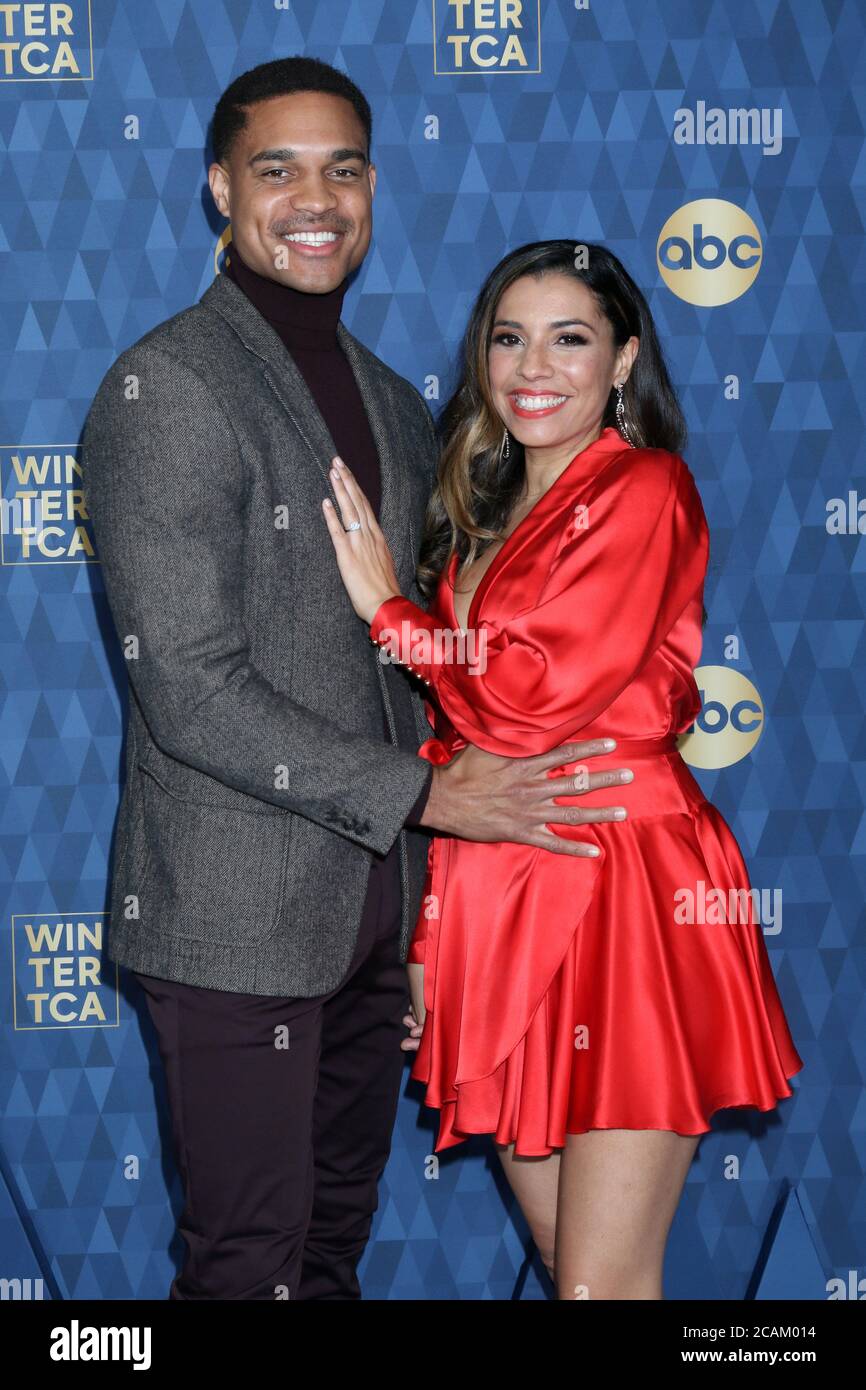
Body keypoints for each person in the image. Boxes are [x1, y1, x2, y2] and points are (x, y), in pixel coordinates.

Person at [81, 60, 633, 1302]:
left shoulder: (395, 400)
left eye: (341, 167)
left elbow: (415, 675)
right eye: (275, 168)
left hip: (373, 926)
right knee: (250, 1269)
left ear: (374, 187)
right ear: (221, 187)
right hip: (233, 922)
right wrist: (433, 801)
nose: (312, 197)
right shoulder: (165, 387)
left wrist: (424, 918)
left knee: (327, 1257)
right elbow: (189, 685)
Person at [323, 238, 805, 1301]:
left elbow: (534, 691)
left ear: (623, 359)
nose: (532, 367)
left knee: (597, 1283)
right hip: (502, 893)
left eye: (570, 338)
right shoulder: (475, 525)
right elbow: (458, 753)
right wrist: (432, 954)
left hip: (625, 888)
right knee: (569, 1271)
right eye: (508, 338)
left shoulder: (643, 488)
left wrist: (390, 617)